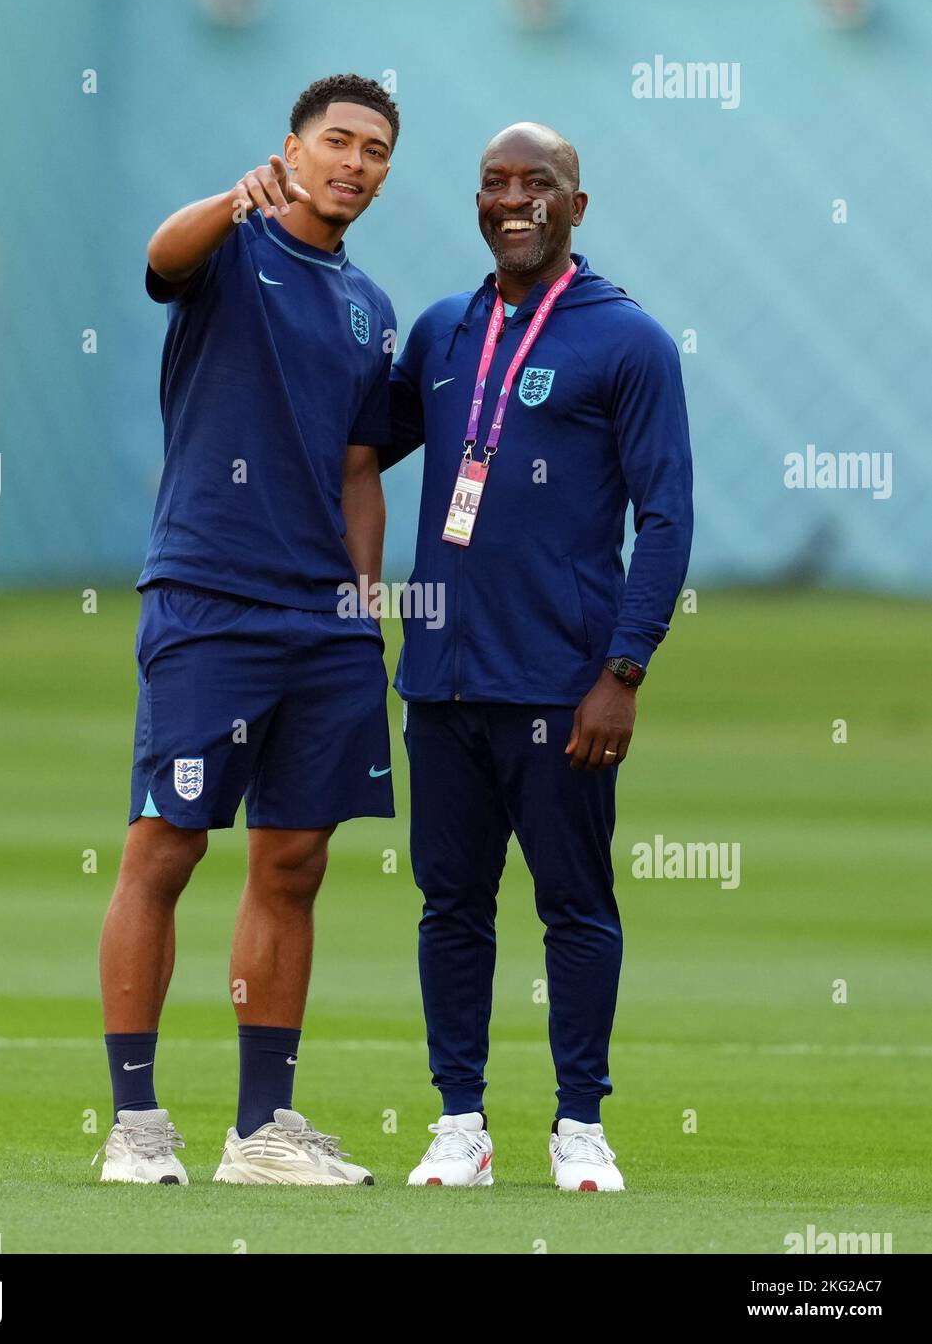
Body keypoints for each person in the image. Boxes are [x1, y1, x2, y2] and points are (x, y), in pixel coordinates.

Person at [95, 75, 399, 1188]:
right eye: (337, 140)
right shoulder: (229, 245)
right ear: (292, 148)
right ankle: (135, 1126)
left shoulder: (371, 306)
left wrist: (363, 601)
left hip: (322, 621)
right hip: (209, 595)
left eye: (374, 150)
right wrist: (231, 202)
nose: (354, 162)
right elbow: (161, 255)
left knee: (296, 860)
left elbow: (359, 467)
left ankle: (261, 1132)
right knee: (165, 847)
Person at [380, 122, 693, 1191]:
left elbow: (665, 517)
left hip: (562, 687)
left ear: (576, 204)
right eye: (494, 183)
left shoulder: (628, 341)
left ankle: (580, 1124)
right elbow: (357, 445)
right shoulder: (442, 330)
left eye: (538, 183)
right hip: (440, 680)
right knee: (449, 905)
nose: (514, 199)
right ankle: (458, 1122)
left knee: (575, 906)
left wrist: (623, 670)